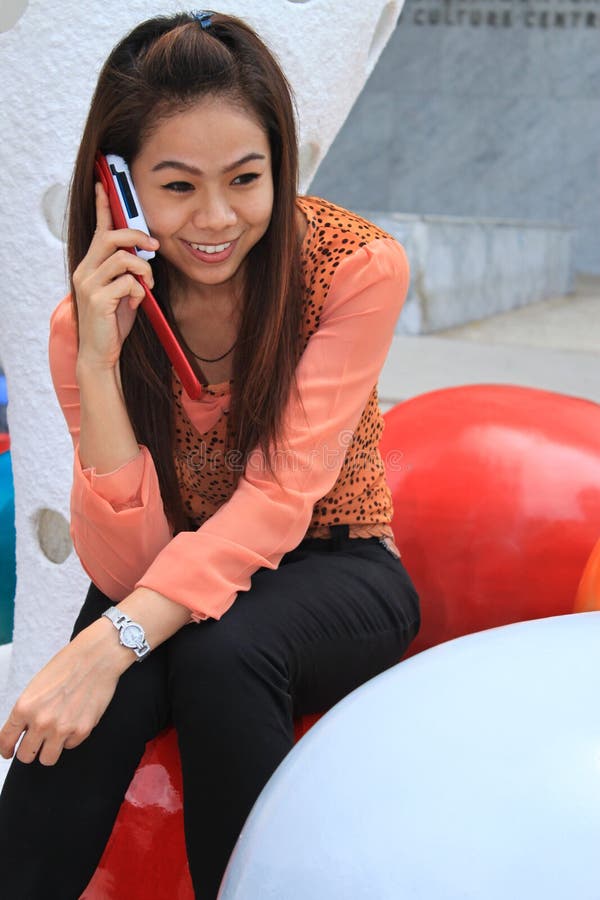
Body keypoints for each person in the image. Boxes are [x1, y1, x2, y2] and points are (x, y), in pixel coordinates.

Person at [0, 10, 420, 899]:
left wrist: (106, 643)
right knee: (92, 706)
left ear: (280, 166)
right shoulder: (88, 322)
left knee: (216, 651)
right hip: (173, 574)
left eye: (245, 178)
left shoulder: (353, 268)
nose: (218, 218)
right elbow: (124, 564)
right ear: (119, 187)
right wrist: (102, 366)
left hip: (335, 569)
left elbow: (280, 499)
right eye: (178, 185)